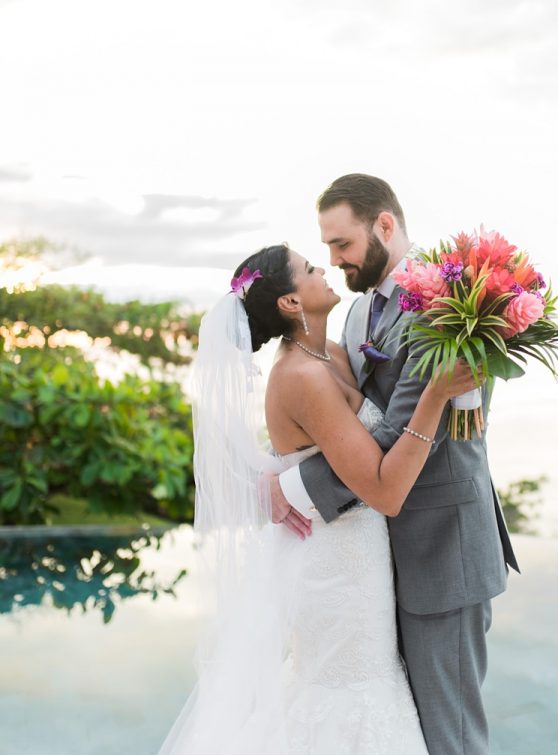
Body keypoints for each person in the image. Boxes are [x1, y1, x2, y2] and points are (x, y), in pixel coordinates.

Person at [158, 242, 483, 755]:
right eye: (310, 268)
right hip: (338, 565)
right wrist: (436, 395)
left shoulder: (330, 353)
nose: (325, 266)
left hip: (361, 551)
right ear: (290, 303)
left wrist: (281, 477)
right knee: (345, 696)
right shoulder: (303, 376)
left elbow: (342, 444)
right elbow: (383, 489)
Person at [270, 174, 520, 755]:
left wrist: (297, 486)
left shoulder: (450, 308)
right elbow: (357, 431)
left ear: (384, 224)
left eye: (342, 244)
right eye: (326, 249)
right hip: (377, 572)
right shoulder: (357, 317)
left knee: (450, 738)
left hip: (442, 552)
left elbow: (401, 438)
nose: (333, 261)